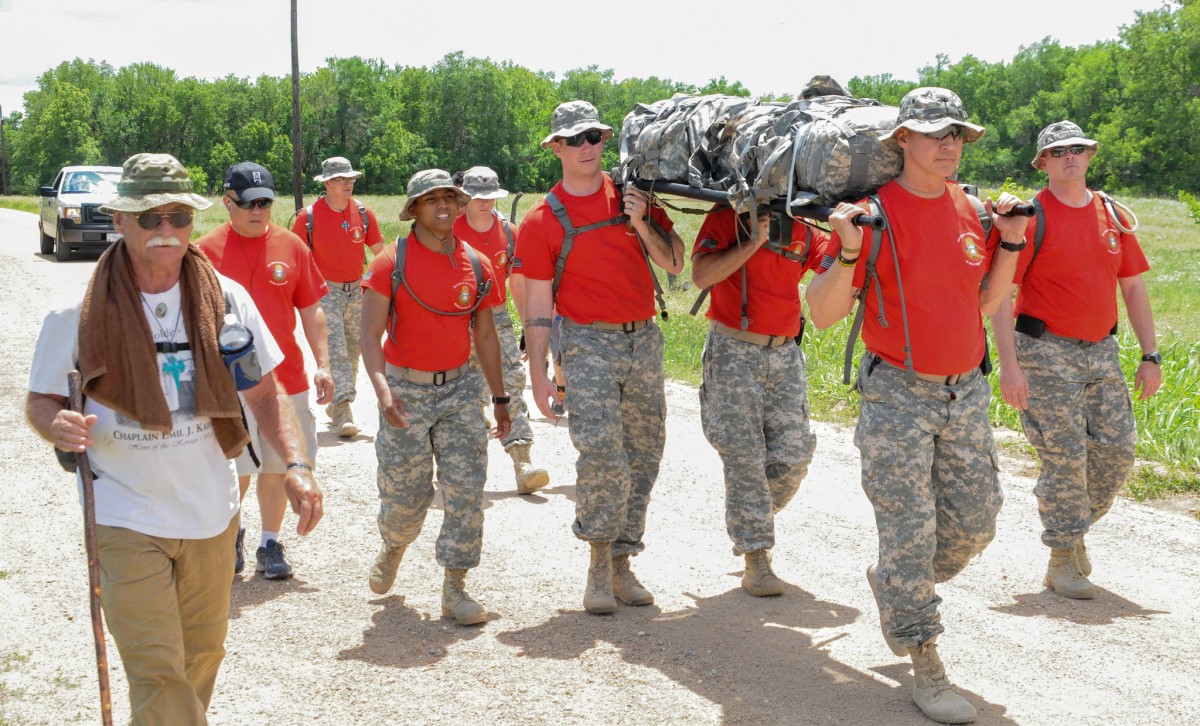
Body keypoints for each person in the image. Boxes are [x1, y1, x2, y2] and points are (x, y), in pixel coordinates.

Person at [26, 153, 323, 724]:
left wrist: (298, 464)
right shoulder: (75, 312)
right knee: (158, 670)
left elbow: (263, 393)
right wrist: (55, 425)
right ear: (119, 221)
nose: (166, 231)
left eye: (179, 218)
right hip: (123, 513)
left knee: (201, 657)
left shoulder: (228, 299)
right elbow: (42, 400)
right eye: (150, 218)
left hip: (212, 513)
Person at [805, 87, 1027, 724]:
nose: (951, 143)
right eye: (936, 133)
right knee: (909, 530)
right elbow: (820, 316)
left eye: (957, 132)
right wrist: (847, 250)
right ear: (902, 139)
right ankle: (924, 659)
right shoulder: (870, 215)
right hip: (898, 392)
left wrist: (1008, 244)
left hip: (965, 388)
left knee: (977, 522)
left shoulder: (975, 213)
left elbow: (980, 306)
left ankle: (901, 584)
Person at [515, 100, 685, 615]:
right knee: (602, 454)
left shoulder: (636, 196)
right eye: (576, 139)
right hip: (586, 343)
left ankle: (622, 562)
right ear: (557, 148)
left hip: (644, 339)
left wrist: (641, 222)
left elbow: (676, 262)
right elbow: (539, 304)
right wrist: (539, 372)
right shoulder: (542, 219)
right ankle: (596, 561)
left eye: (594, 136)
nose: (587, 147)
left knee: (644, 454)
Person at [991, 120, 1161, 600]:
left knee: (1117, 452)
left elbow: (1132, 285)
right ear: (1042, 162)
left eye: (1078, 149)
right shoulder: (1030, 217)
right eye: (1057, 150)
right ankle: (1063, 556)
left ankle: (1073, 532)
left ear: (1090, 156)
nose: (1069, 156)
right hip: (1044, 352)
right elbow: (1002, 294)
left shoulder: (1110, 214)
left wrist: (1150, 355)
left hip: (1102, 351)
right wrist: (1009, 365)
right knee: (1065, 459)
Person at [360, 169, 512, 626]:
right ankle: (394, 543)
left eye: (450, 198)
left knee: (466, 490)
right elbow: (369, 336)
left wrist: (501, 398)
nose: (444, 206)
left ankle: (456, 588)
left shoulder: (477, 264)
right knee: (406, 499)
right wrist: (383, 390)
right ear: (414, 210)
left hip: (461, 390)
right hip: (404, 392)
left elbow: (485, 336)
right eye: (432, 200)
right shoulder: (390, 263)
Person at [197, 162, 332, 581]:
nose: (258, 211)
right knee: (233, 470)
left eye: (266, 203)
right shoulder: (203, 251)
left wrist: (323, 365)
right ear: (227, 203)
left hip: (283, 381)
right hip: (227, 387)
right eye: (249, 204)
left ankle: (269, 542)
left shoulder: (292, 247)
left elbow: (312, 312)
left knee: (277, 467)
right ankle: (231, 536)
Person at [691, 207, 830, 596]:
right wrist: (753, 241)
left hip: (784, 351)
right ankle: (756, 558)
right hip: (733, 347)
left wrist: (851, 244)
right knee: (744, 456)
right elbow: (701, 275)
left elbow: (832, 267)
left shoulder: (804, 224)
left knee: (795, 454)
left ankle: (750, 514)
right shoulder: (726, 217)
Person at [454, 165, 550, 495]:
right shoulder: (446, 230)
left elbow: (519, 281)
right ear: (464, 197)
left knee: (511, 382)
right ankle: (459, 468)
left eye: (490, 197)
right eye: (477, 197)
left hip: (495, 316)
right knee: (459, 390)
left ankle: (522, 460)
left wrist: (528, 326)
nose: (484, 203)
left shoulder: (510, 232)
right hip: (454, 316)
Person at [290, 156, 384, 438]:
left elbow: (380, 251)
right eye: (342, 179)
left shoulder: (364, 213)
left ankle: (336, 403)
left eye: (351, 179)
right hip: (324, 292)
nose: (348, 184)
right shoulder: (309, 217)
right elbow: (295, 257)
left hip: (357, 290)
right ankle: (343, 407)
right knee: (337, 350)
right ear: (327, 183)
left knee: (355, 349)